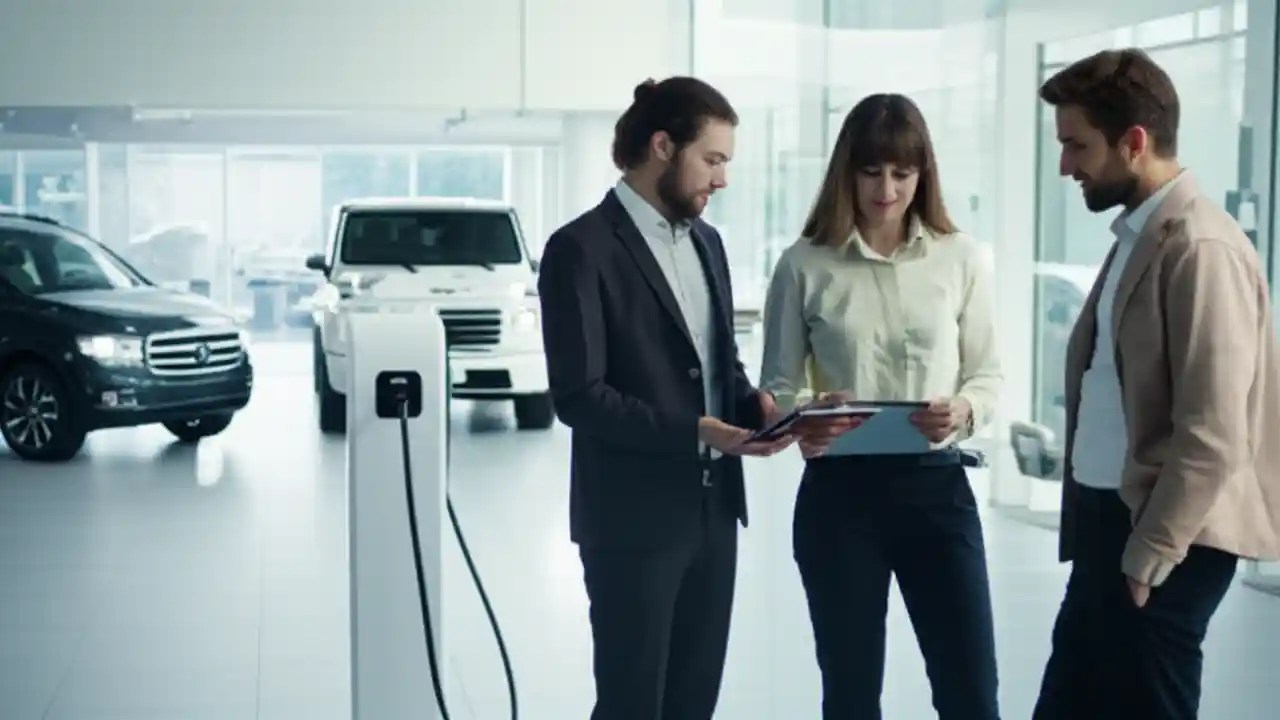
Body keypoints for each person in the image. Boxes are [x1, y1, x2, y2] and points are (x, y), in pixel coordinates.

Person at [1031, 48, 1280, 719]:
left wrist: (1151, 552)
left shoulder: (1200, 248)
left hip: (1164, 538)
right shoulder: (1140, 236)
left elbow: (1214, 428)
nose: (1064, 165)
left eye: (1076, 145)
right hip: (1112, 530)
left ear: (1134, 142)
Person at [536, 76, 794, 720]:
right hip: (632, 522)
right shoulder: (579, 249)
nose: (722, 179)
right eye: (713, 159)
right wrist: (697, 431)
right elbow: (580, 396)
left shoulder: (708, 243)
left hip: (713, 514)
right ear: (661, 146)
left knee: (692, 701)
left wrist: (761, 408)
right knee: (632, 703)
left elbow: (716, 364)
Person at [758, 93, 1003, 719]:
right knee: (850, 692)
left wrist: (964, 411)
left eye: (902, 172)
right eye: (871, 171)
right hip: (840, 501)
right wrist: (811, 413)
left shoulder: (961, 257)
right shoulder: (803, 265)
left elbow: (987, 374)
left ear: (923, 174)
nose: (887, 189)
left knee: (971, 690)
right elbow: (777, 389)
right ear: (848, 172)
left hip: (938, 493)